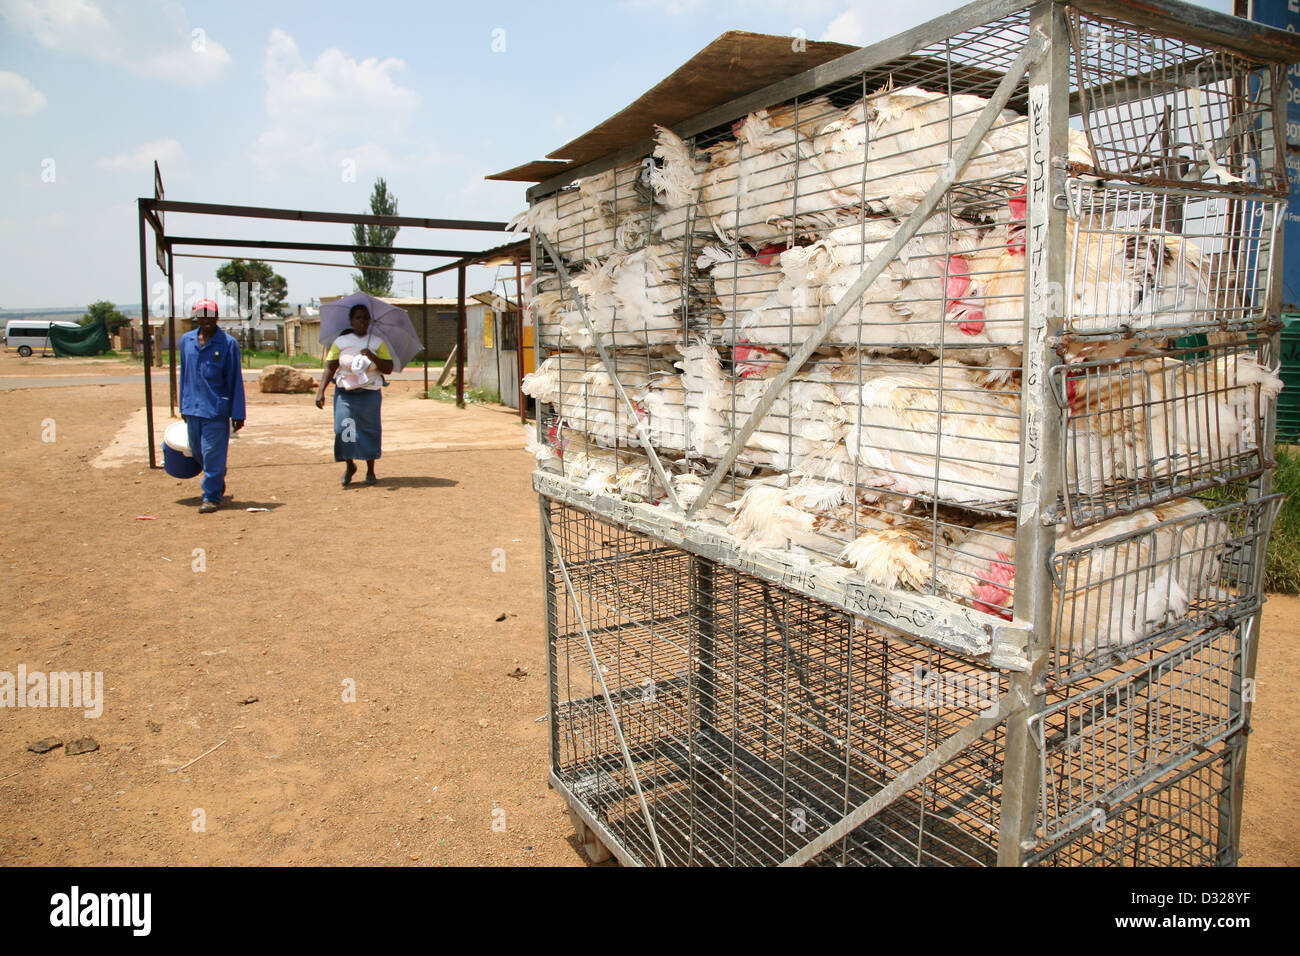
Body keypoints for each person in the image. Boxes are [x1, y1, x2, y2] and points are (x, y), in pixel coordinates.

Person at [315, 303, 394, 487]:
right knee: (343, 430)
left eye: (366, 318)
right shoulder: (340, 342)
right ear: (351, 320)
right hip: (345, 392)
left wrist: (373, 356)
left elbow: (388, 368)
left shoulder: (377, 342)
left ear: (370, 321)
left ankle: (370, 469)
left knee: (369, 430)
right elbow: (330, 367)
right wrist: (320, 391)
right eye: (358, 318)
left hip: (370, 392)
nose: (362, 321)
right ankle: (350, 465)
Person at [179, 299, 246, 513]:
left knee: (211, 453)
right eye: (202, 314)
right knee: (198, 452)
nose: (206, 318)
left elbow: (235, 379)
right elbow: (184, 376)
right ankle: (217, 474)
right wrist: (182, 405)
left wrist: (238, 413)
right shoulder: (187, 341)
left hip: (216, 410)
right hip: (192, 408)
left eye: (210, 314)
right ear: (196, 316)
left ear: (217, 317)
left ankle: (211, 496)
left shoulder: (227, 344)